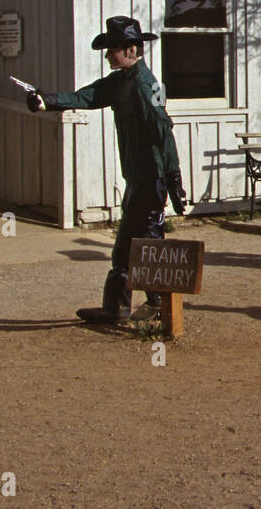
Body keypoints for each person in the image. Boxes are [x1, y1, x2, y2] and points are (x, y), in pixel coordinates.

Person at [25, 16, 187, 323]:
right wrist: (47, 101)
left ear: (130, 49)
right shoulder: (122, 82)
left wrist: (173, 178)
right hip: (137, 178)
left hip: (151, 178)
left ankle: (153, 306)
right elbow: (88, 95)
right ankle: (126, 307)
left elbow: (163, 132)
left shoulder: (145, 86)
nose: (107, 55)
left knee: (145, 243)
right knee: (133, 243)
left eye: (112, 49)